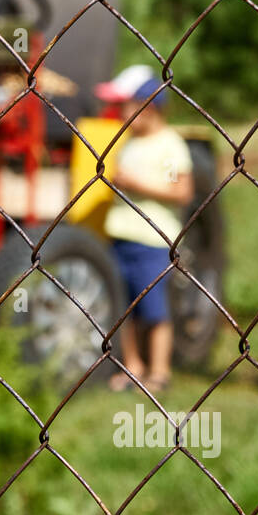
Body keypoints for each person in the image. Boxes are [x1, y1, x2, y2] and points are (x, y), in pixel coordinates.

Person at [95, 65, 194, 393]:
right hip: (122, 235)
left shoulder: (170, 144)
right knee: (125, 310)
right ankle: (133, 366)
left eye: (127, 106)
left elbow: (182, 190)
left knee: (154, 309)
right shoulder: (130, 142)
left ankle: (159, 370)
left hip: (153, 240)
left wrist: (137, 184)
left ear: (148, 106)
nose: (121, 112)